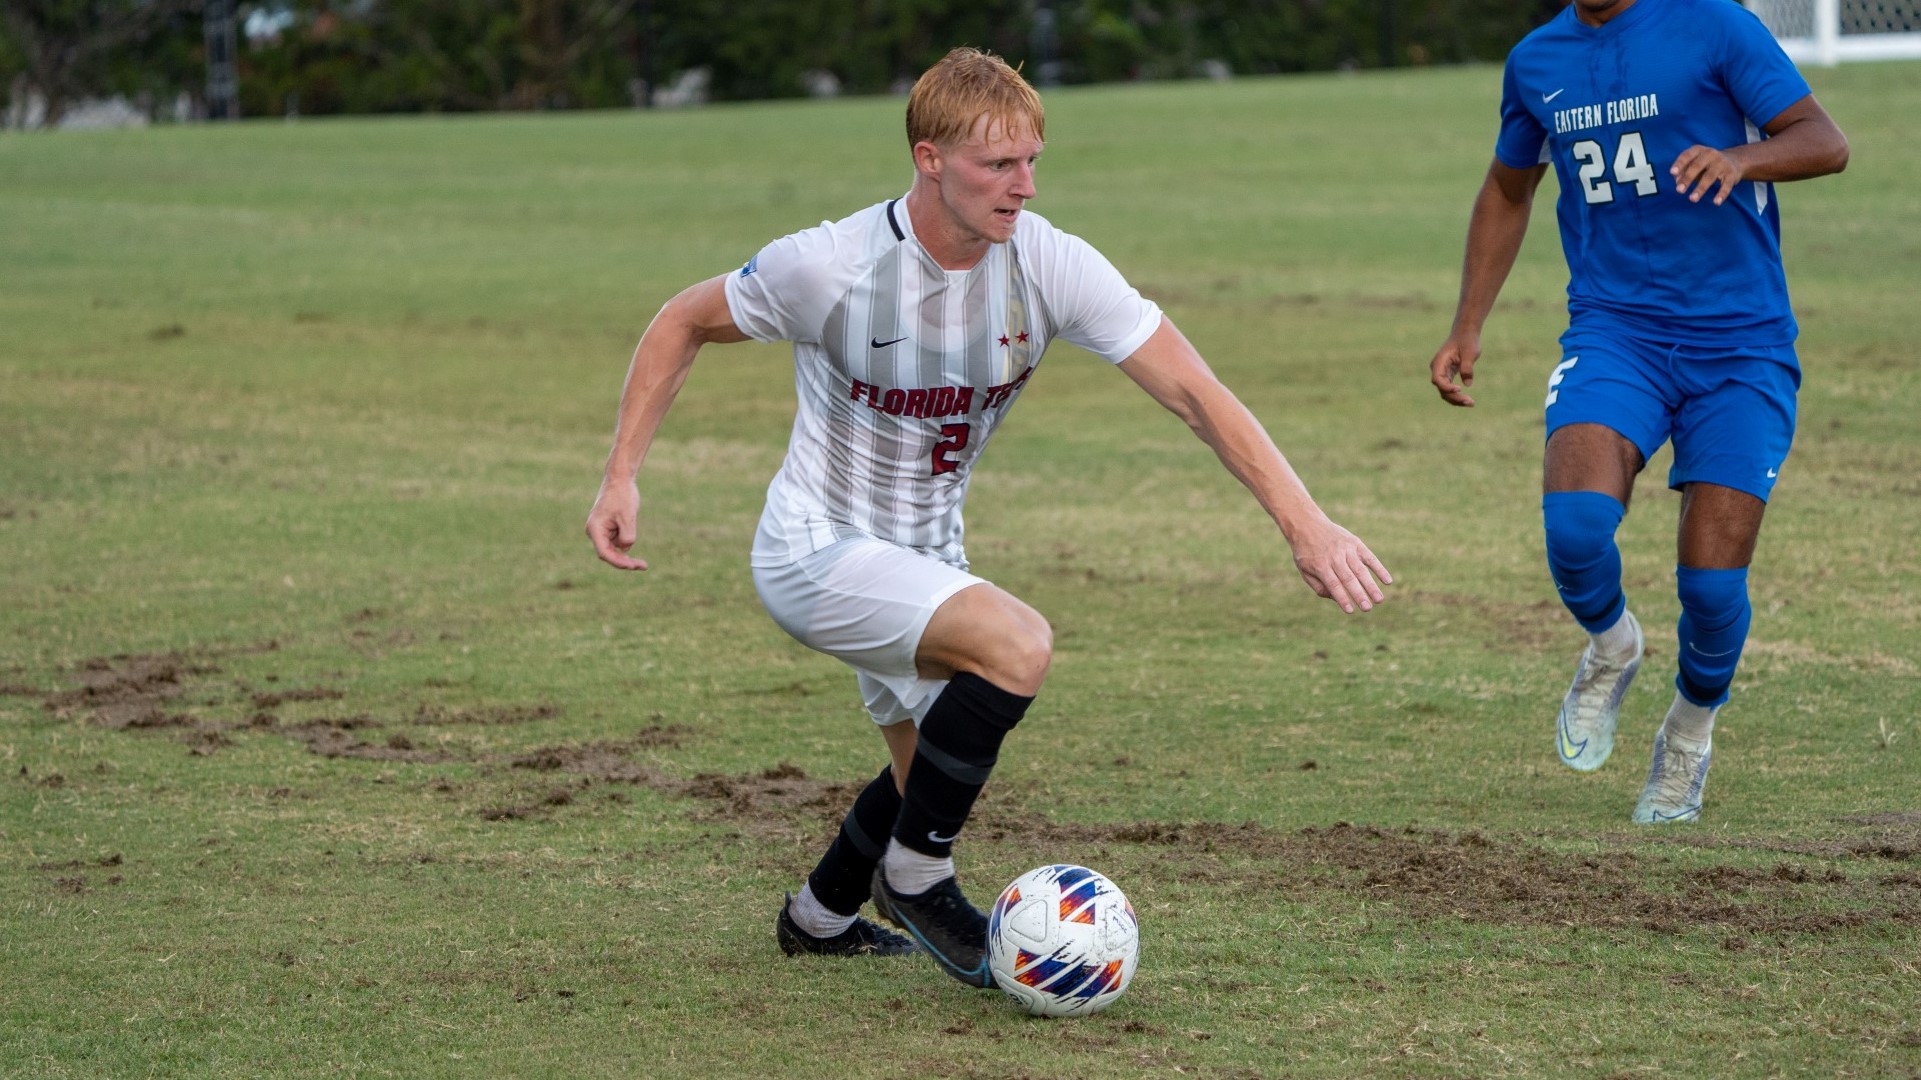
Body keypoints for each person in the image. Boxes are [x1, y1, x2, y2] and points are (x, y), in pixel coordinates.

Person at [588, 47, 1392, 986]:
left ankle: (820, 915)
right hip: (815, 548)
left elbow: (1194, 391)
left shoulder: (1048, 264)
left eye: (1032, 161)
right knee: (1015, 646)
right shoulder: (832, 265)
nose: (1025, 186)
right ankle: (916, 880)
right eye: (998, 164)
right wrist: (621, 477)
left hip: (928, 551)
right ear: (929, 159)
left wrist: (1305, 523)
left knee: (925, 771)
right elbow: (681, 320)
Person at [1428, 0, 1848, 824]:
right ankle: (1612, 646)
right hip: (1614, 332)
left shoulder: (1714, 24)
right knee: (1575, 529)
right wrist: (1466, 323)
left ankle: (1688, 733)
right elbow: (1507, 190)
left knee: (1710, 589)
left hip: (1741, 346)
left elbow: (1823, 140)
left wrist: (1740, 159)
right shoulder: (1535, 60)